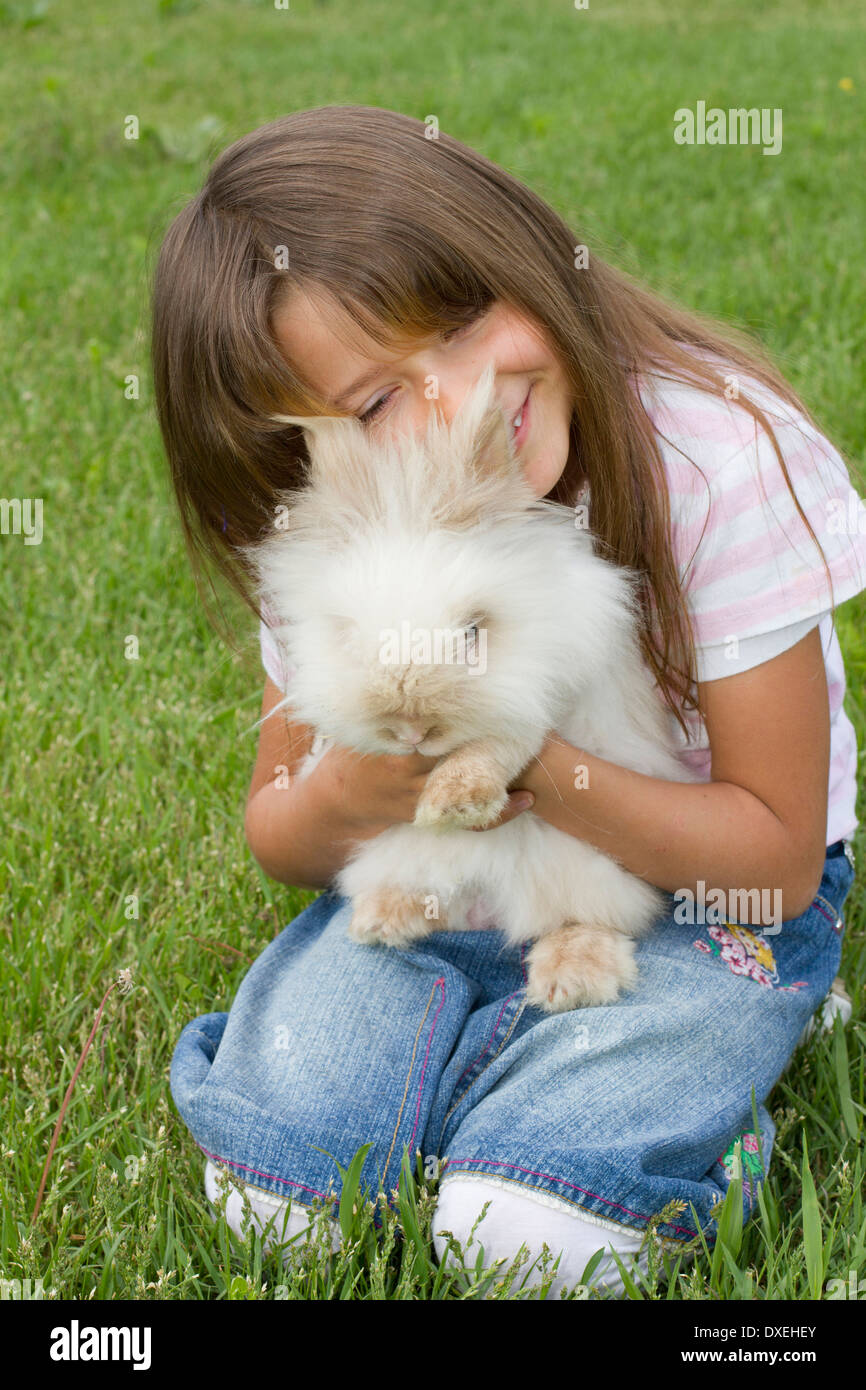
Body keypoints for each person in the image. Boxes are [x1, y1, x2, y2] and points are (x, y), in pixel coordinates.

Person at [155, 105, 865, 1297]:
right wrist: (353, 787)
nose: (464, 397)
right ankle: (464, 1075)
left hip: (708, 889)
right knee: (272, 1201)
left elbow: (777, 858)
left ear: (522, 254)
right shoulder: (331, 535)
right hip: (435, 875)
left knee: (534, 1239)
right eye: (375, 404)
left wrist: (535, 768)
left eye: (465, 319)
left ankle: (698, 1122)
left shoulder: (710, 459)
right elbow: (281, 828)